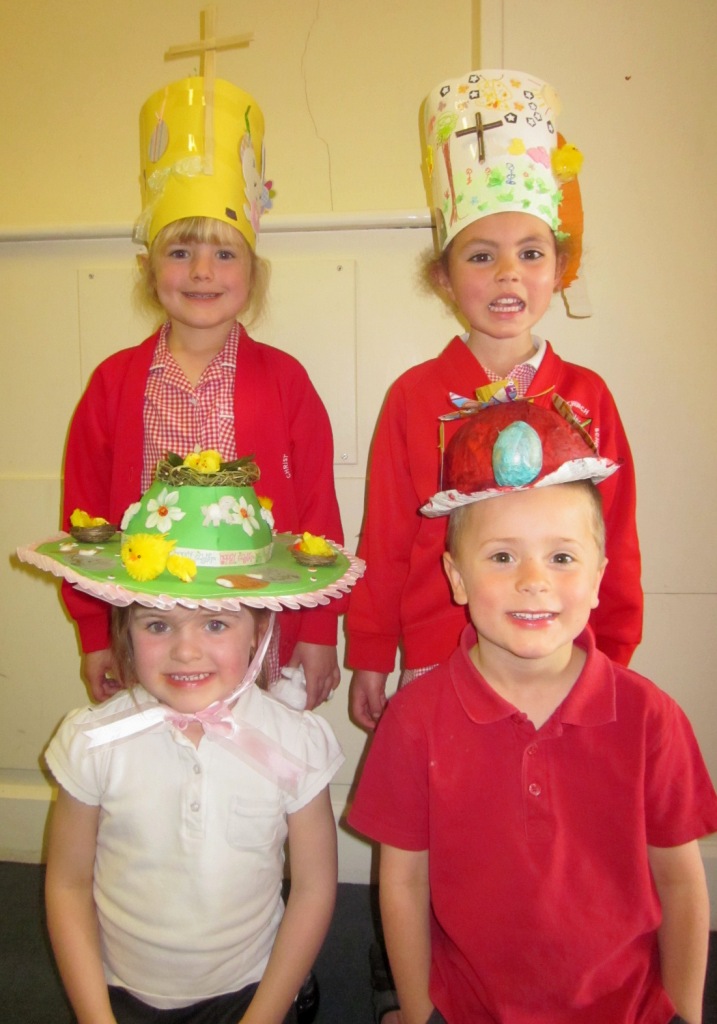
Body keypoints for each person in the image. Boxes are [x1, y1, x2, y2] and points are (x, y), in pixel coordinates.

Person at [348, 400, 717, 1024]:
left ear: (598, 579)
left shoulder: (652, 719)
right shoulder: (413, 721)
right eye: (501, 557)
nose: (533, 581)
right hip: (466, 1007)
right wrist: (418, 1012)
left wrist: (683, 1010)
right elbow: (403, 885)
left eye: (562, 558)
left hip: (627, 1008)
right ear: (456, 578)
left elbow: (681, 883)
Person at [346, 69, 642, 740]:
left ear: (558, 270)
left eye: (530, 253)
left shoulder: (587, 397)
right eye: (481, 257)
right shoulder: (412, 396)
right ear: (444, 278)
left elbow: (616, 538)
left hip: (564, 656)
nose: (508, 273)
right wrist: (371, 651)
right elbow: (385, 539)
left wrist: (615, 649)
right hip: (437, 662)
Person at [18, 457, 364, 1024]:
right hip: (121, 992)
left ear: (259, 629)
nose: (185, 650)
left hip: (253, 991)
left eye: (216, 623)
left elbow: (314, 888)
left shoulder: (296, 745)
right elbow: (68, 884)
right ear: (125, 630)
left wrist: (263, 1014)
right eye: (157, 624)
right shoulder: (93, 741)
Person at [62, 73, 344, 709]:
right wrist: (93, 635)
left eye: (224, 255)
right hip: (149, 636)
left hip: (260, 635)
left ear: (253, 271)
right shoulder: (114, 383)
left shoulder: (286, 381)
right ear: (148, 269)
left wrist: (320, 628)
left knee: (252, 762)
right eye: (180, 252)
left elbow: (319, 515)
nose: (200, 272)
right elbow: (86, 520)